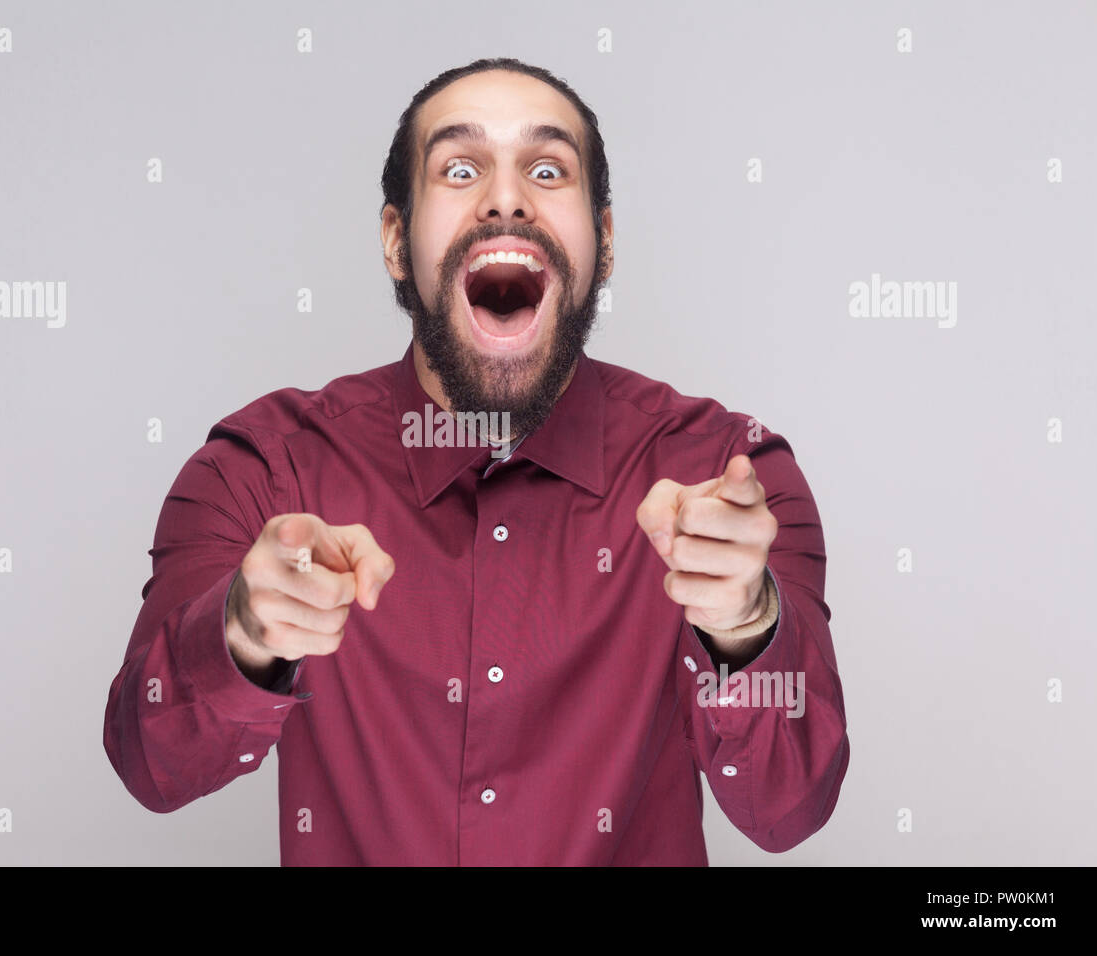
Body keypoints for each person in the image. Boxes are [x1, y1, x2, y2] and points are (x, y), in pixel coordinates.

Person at [103, 57, 850, 865]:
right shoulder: (264, 469)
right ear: (396, 241)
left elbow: (790, 807)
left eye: (547, 168)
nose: (504, 197)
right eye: (460, 169)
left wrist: (744, 625)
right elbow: (151, 767)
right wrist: (245, 635)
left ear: (602, 246)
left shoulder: (731, 476)